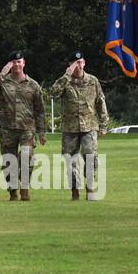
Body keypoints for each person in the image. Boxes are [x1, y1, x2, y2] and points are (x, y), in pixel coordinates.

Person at [0, 51, 45, 201]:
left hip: (27, 129)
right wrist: (1, 74)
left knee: (27, 157)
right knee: (8, 161)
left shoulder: (33, 85)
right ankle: (13, 192)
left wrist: (42, 131)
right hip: (7, 129)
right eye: (13, 62)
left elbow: (40, 110)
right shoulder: (3, 82)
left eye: (19, 62)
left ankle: (25, 188)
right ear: (9, 64)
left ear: (24, 63)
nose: (16, 65)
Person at [49, 52, 109, 200]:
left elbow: (101, 102)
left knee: (90, 156)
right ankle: (75, 190)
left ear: (85, 63)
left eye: (80, 62)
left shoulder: (92, 81)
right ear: (70, 66)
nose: (78, 66)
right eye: (75, 63)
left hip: (89, 126)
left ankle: (90, 188)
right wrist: (66, 76)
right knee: (71, 160)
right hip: (70, 128)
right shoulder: (65, 82)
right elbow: (53, 93)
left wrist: (104, 124)